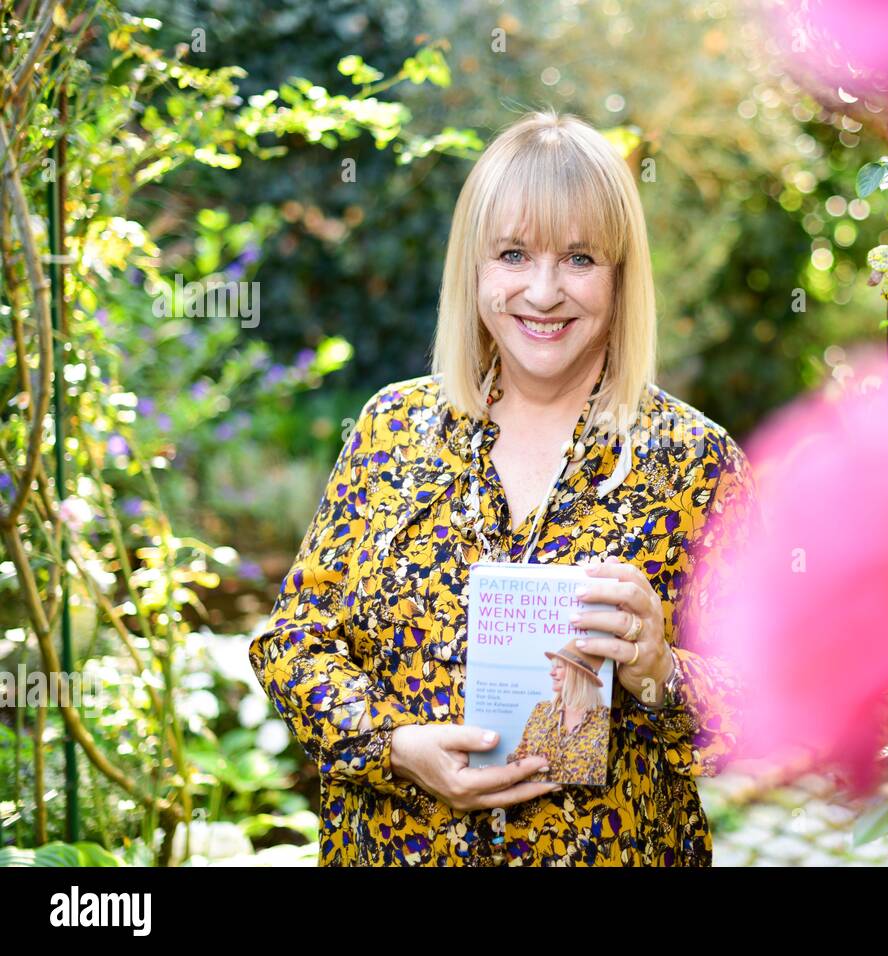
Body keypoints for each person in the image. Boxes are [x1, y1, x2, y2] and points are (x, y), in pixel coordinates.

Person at [248, 108, 758, 866]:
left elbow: (764, 710)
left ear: (621, 278)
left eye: (580, 258)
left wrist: (658, 673)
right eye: (514, 254)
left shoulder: (692, 462)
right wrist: (394, 746)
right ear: (475, 269)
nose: (544, 292)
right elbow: (294, 644)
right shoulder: (394, 429)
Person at [506, 642, 611, 787]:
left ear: (577, 673)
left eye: (559, 667)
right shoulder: (541, 710)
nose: (552, 673)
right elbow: (520, 755)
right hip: (532, 803)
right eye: (552, 667)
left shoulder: (605, 719)